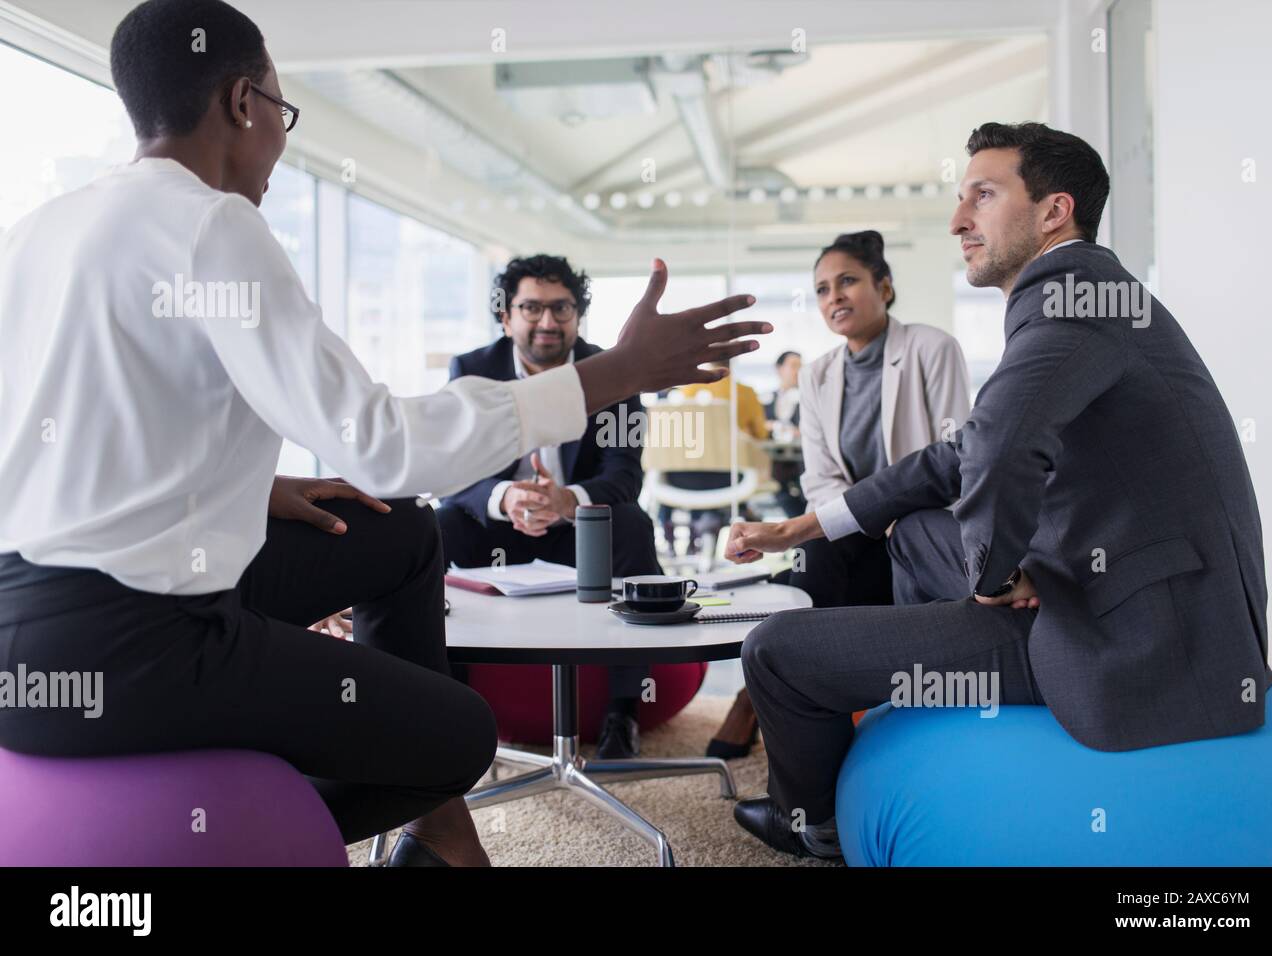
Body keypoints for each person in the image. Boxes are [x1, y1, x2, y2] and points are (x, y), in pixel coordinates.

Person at [0, 0, 768, 868]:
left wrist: (257, 487)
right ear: (243, 102)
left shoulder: (36, 233)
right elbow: (380, 442)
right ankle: (249, 834)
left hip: (20, 633)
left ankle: (434, 835)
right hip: (141, 646)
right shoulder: (212, 224)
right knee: (458, 737)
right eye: (282, 113)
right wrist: (615, 373)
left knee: (401, 529)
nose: (278, 145)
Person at [722, 121, 1272, 861]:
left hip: (1130, 636)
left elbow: (1000, 446)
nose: (957, 221)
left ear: (1053, 212)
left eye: (982, 196)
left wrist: (997, 572)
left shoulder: (1072, 295)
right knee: (914, 529)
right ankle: (937, 697)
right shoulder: (1092, 291)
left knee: (775, 651)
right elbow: (961, 452)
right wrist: (804, 528)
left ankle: (810, 825)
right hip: (1120, 578)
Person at [706, 232, 970, 759]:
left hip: (917, 530)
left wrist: (887, 518)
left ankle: (761, 695)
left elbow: (955, 458)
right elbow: (820, 477)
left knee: (812, 561)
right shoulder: (819, 374)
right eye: (822, 289)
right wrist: (863, 519)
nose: (834, 297)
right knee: (812, 557)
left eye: (847, 281)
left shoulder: (931, 348)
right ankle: (785, 706)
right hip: (854, 531)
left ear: (885, 286)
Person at [435, 254, 660, 759]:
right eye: (531, 308)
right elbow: (455, 473)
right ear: (506, 315)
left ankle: (622, 712)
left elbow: (625, 473)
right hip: (498, 527)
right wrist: (506, 496)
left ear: (578, 315)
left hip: (579, 527)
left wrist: (566, 501)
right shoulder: (472, 369)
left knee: (630, 524)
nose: (547, 322)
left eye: (561, 309)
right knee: (439, 524)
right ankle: (454, 709)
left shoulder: (613, 371)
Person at [659, 362, 769, 554]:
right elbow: (760, 435)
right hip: (731, 479)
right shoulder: (744, 393)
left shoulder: (686, 393)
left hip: (683, 480)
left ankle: (690, 539)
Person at [764, 351, 805, 519]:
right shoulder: (766, 399)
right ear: (779, 369)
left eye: (801, 367)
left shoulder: (807, 399)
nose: (798, 371)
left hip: (801, 461)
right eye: (794, 366)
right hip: (774, 463)